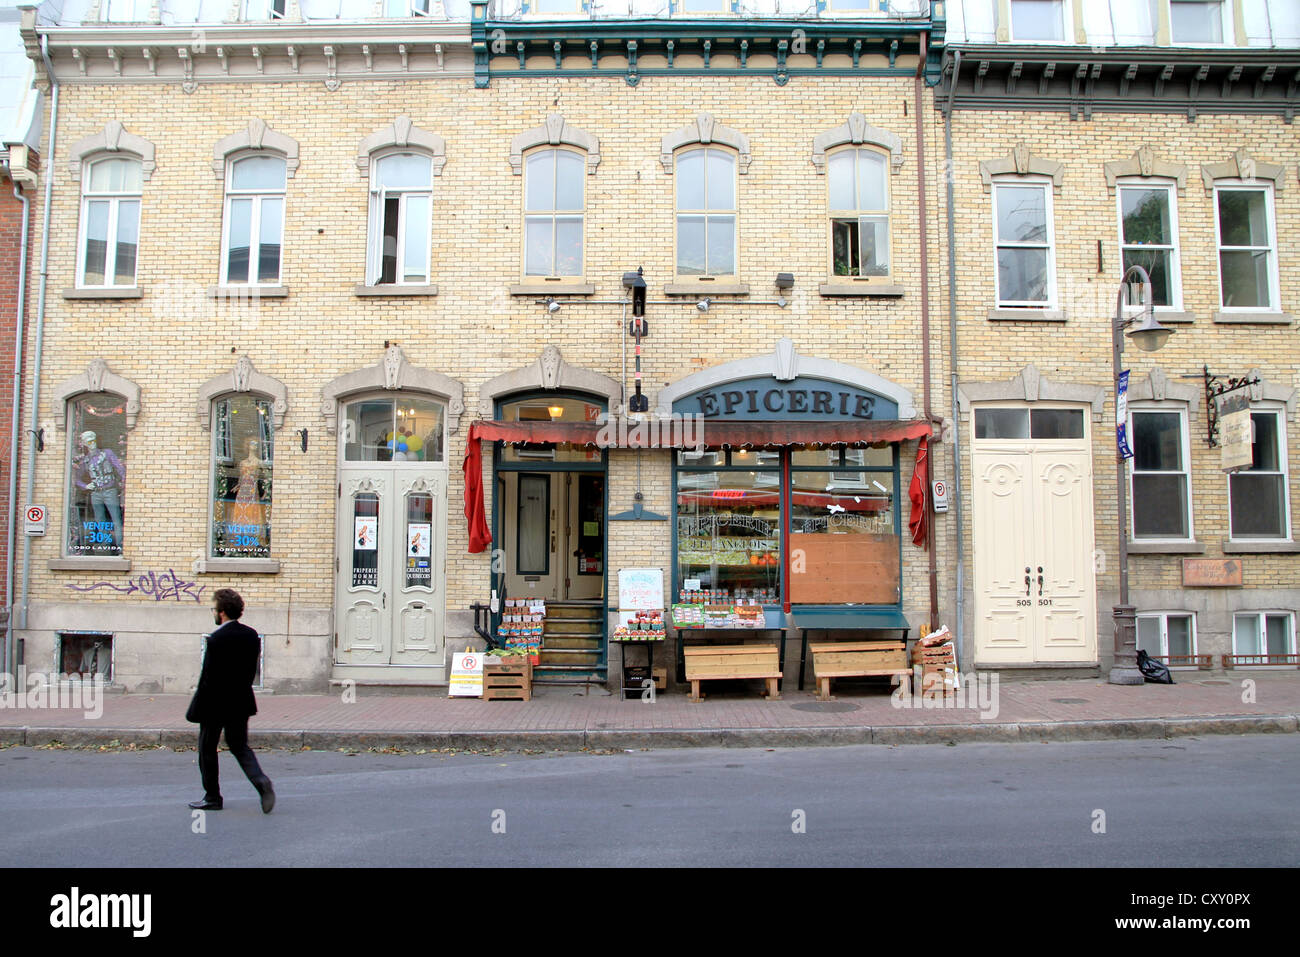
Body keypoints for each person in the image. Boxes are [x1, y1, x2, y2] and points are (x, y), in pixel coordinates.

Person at [185, 588, 276, 813]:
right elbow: (250, 672)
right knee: (239, 746)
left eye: (214, 609)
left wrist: (196, 708)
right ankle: (261, 781)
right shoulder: (251, 635)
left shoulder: (216, 639)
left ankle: (212, 797)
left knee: (207, 748)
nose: (213, 613)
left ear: (222, 612)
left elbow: (208, 677)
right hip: (240, 700)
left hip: (214, 704)